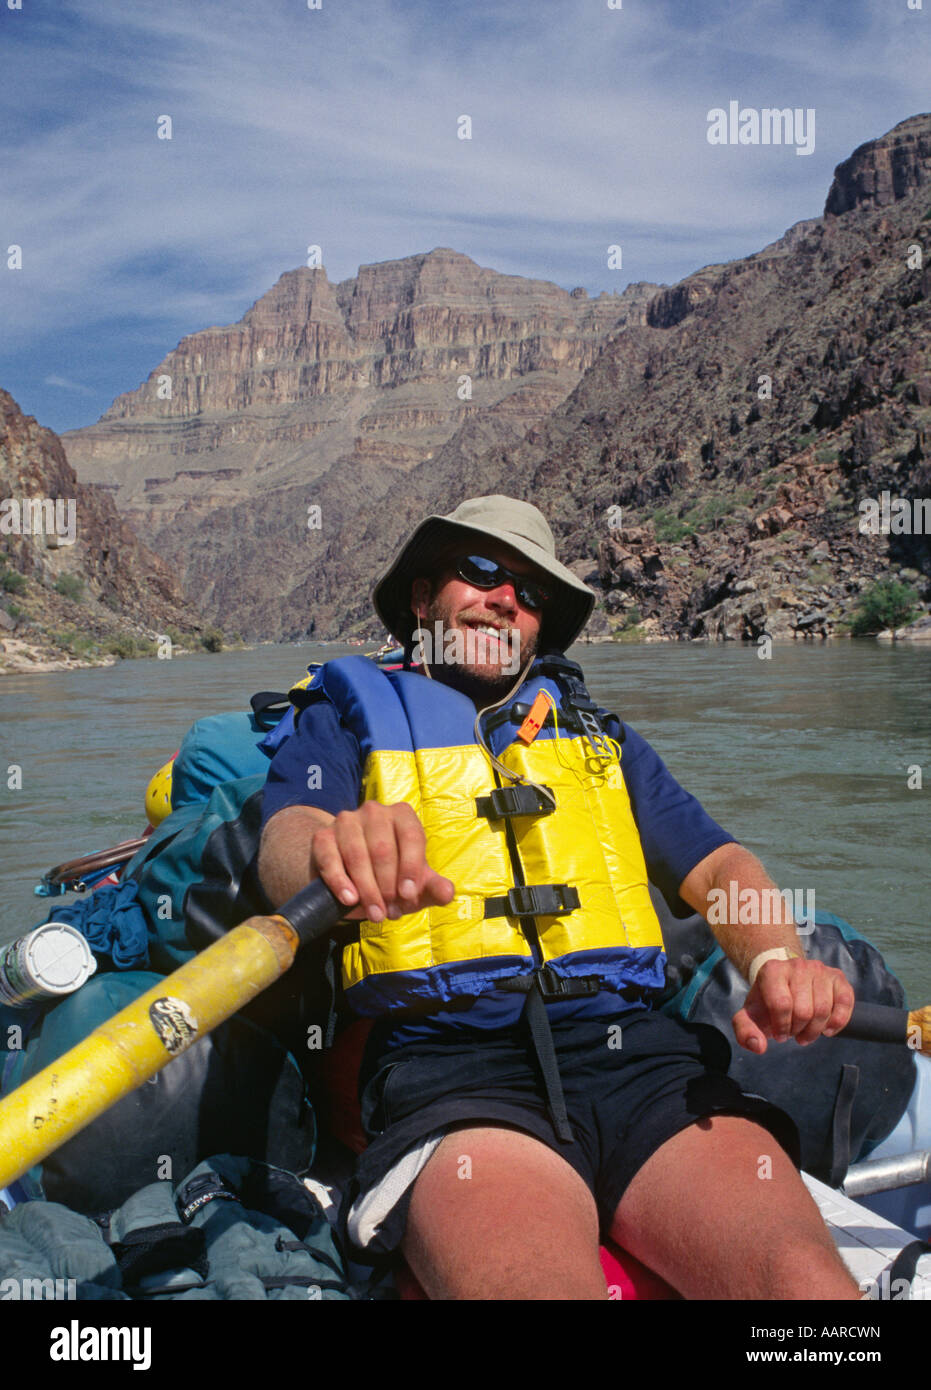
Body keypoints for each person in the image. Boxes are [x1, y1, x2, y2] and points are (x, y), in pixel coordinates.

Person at [258, 495, 860, 1300]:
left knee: (809, 1292)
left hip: (640, 1061)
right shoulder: (340, 719)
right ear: (420, 596)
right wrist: (333, 853)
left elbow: (718, 869)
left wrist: (779, 960)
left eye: (530, 592)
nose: (506, 597)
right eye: (481, 572)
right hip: (457, 1077)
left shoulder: (597, 738)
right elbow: (285, 843)